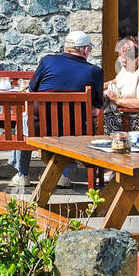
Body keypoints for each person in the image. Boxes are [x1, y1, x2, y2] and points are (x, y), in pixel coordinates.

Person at [8, 30, 104, 188]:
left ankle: (22, 175)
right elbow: (96, 110)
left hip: (39, 128)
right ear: (86, 50)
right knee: (64, 127)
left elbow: (32, 90)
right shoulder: (95, 71)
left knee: (25, 121)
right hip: (75, 131)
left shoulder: (48, 61)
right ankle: (61, 175)